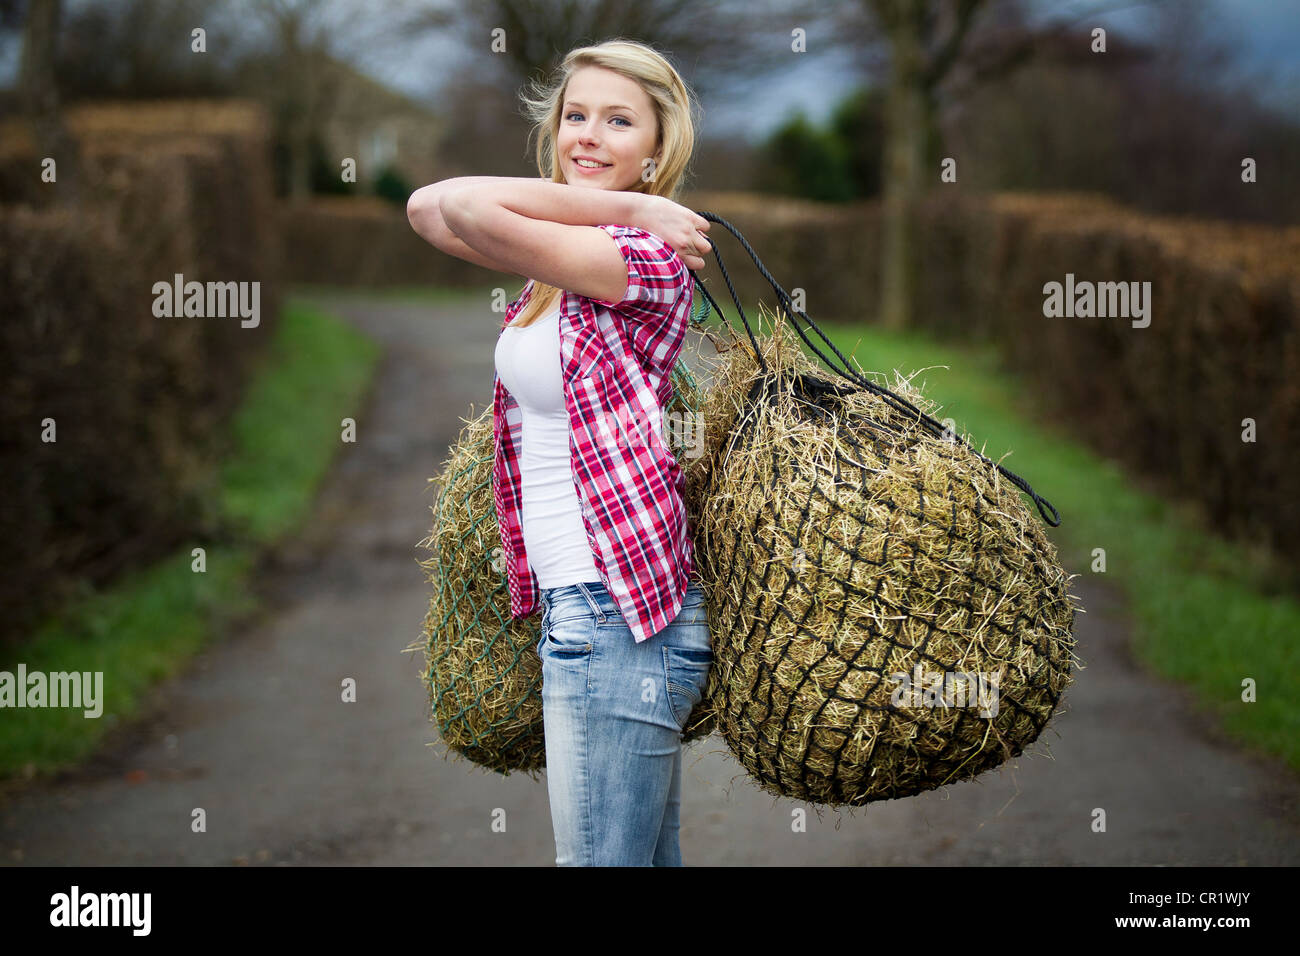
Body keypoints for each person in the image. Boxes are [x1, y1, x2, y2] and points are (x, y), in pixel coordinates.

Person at [406, 39, 714, 866]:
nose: (588, 136)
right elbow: (430, 206)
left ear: (658, 148)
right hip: (589, 611)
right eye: (575, 115)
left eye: (619, 121)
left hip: (614, 617)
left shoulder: (642, 259)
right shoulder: (565, 262)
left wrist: (642, 215)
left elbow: (471, 213)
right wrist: (633, 202)